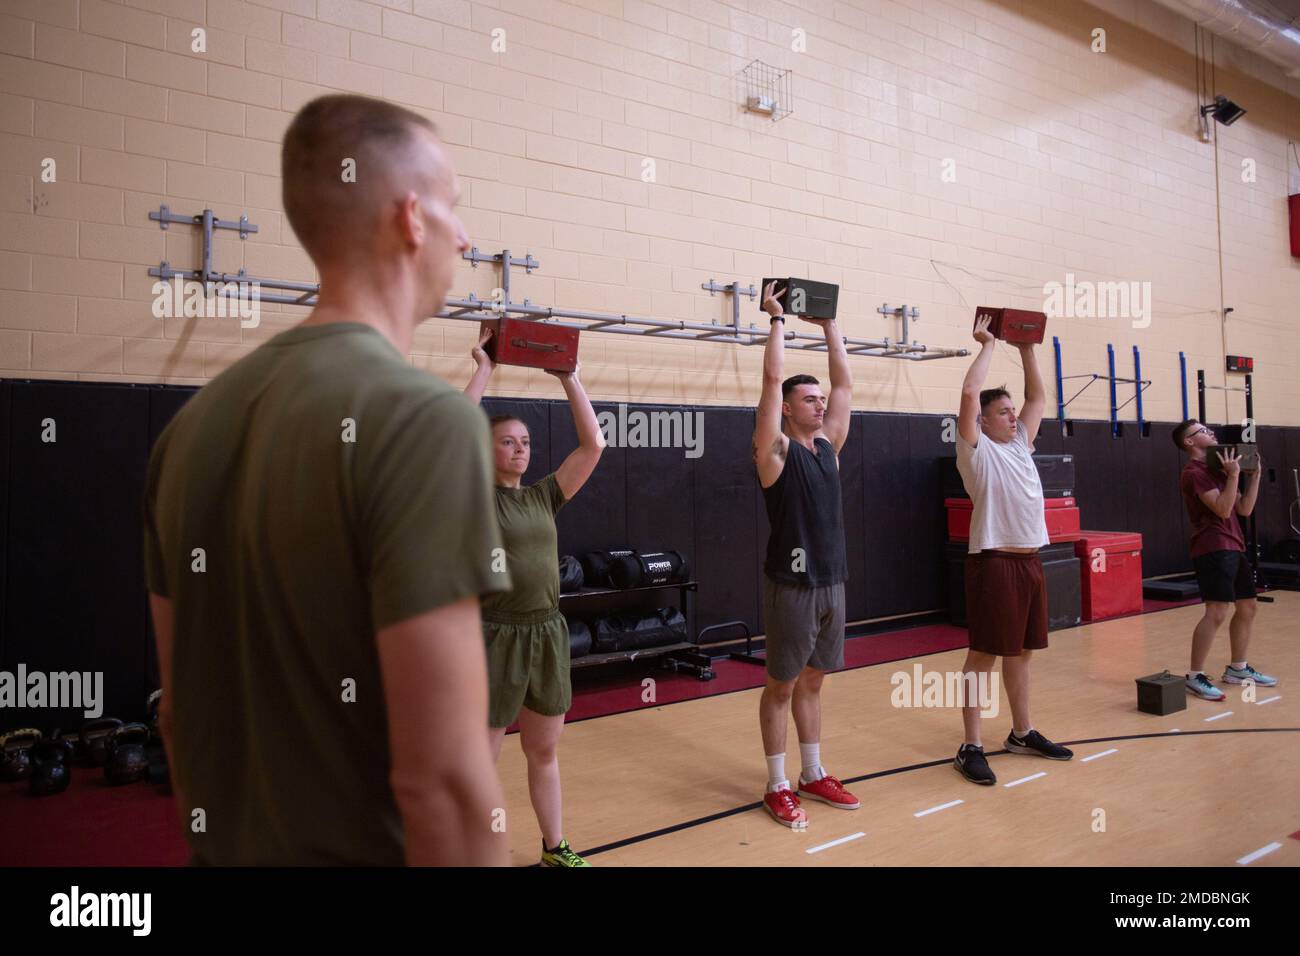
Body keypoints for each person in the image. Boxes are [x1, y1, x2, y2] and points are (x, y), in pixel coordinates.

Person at [143, 94, 510, 865]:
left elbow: (178, 717)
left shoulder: (186, 433)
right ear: (411, 219)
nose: (466, 235)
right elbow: (443, 781)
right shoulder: (424, 421)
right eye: (453, 206)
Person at [464, 328, 605, 866]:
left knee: (543, 750)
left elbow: (594, 445)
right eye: (507, 441)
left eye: (525, 442)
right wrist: (485, 367)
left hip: (546, 631)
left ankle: (554, 848)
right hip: (494, 633)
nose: (520, 449)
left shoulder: (545, 495)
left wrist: (570, 377)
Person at [752, 281, 860, 828]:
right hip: (790, 586)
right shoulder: (775, 453)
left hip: (832, 582)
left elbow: (843, 381)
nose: (820, 403)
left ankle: (812, 773)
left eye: (820, 399)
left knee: (814, 682)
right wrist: (777, 321)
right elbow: (772, 379)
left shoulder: (829, 447)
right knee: (782, 686)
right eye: (809, 399)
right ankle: (776, 784)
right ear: (789, 411)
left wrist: (828, 324)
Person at [952, 315, 1073, 786]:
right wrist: (986, 345)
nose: (1014, 416)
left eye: (1011, 411)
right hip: (994, 561)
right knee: (984, 653)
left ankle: (1021, 733)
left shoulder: (1021, 442)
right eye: (1003, 412)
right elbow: (967, 396)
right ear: (982, 421)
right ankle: (971, 745)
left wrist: (1025, 348)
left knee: (1022, 653)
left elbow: (1039, 397)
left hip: (1029, 559)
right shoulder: (976, 450)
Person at [1172, 420, 1276, 699]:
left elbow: (1243, 508)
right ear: (1189, 442)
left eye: (1208, 429)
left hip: (1233, 544)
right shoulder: (1194, 473)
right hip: (1213, 546)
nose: (1211, 432)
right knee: (1217, 611)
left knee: (1248, 606)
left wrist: (1253, 477)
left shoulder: (1216, 470)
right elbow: (1222, 509)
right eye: (1202, 431)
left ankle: (1238, 668)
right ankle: (1195, 676)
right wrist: (1232, 477)